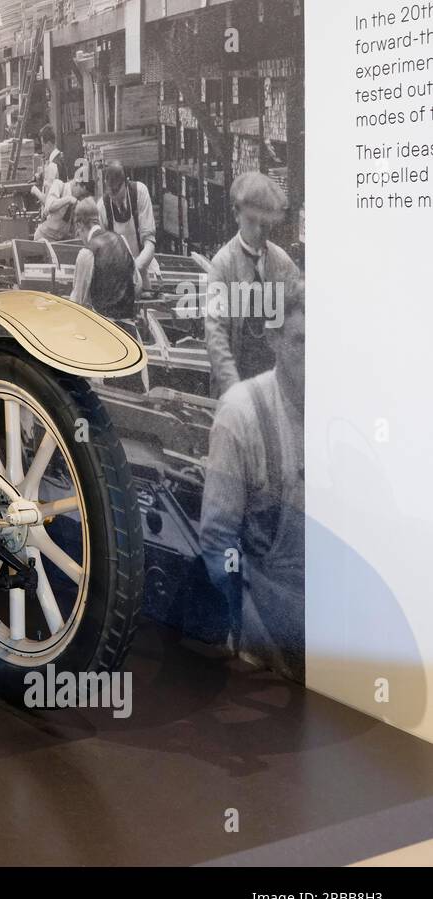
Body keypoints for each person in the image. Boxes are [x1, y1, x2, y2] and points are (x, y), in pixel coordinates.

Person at [199, 279, 306, 682]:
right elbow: (217, 542)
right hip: (267, 627)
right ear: (274, 340)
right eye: (300, 341)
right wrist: (255, 639)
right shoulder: (241, 415)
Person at [204, 171, 302, 398]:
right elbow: (216, 336)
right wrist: (236, 394)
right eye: (252, 221)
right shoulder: (222, 266)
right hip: (237, 382)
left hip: (276, 386)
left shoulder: (283, 265)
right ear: (236, 215)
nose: (259, 231)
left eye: (265, 224)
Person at [69, 198, 136, 323]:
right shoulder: (122, 240)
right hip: (129, 329)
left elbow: (77, 303)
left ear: (79, 225)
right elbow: (138, 285)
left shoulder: (87, 252)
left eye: (78, 232)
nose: (80, 237)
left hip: (104, 329)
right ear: (97, 220)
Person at [98, 161, 158, 291]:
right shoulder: (102, 207)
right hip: (117, 275)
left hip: (144, 267)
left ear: (125, 183)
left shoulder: (140, 192)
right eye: (110, 192)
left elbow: (150, 244)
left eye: (116, 191)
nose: (113, 197)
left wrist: (135, 269)